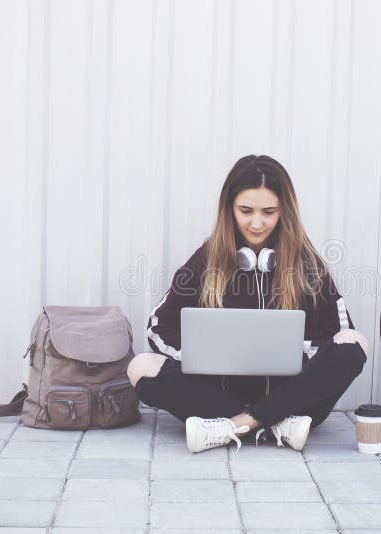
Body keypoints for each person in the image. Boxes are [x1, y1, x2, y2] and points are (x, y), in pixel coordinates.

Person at [127, 155, 368, 453]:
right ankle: (276, 424)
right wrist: (195, 355)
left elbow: (341, 332)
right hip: (218, 395)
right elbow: (158, 325)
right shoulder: (207, 258)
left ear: (284, 211)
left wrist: (300, 351)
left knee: (355, 343)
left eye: (269, 211)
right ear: (229, 209)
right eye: (246, 211)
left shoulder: (305, 261)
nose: (257, 223)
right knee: (141, 367)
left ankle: (239, 424)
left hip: (292, 396)